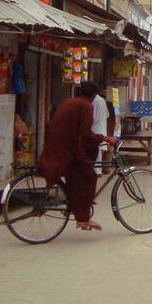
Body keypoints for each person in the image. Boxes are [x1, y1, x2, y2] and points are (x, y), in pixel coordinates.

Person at [39, 81, 118, 231]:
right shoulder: (86, 106)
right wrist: (107, 139)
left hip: (57, 145)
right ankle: (83, 218)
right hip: (67, 148)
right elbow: (86, 135)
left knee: (77, 176)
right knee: (89, 177)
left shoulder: (69, 101)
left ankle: (76, 206)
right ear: (94, 95)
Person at [91, 87, 109, 176]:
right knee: (99, 151)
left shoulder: (94, 101)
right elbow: (107, 115)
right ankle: (98, 170)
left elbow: (92, 117)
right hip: (101, 127)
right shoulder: (102, 100)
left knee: (96, 150)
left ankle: (97, 171)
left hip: (95, 128)